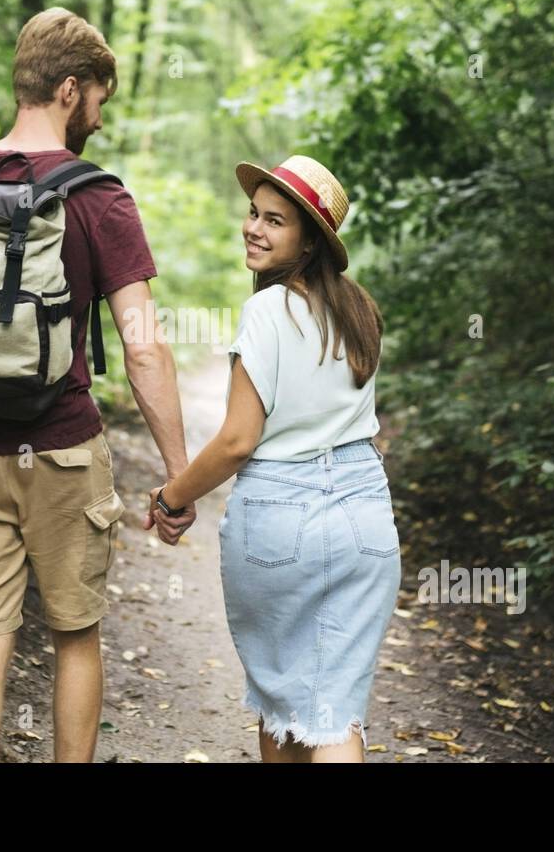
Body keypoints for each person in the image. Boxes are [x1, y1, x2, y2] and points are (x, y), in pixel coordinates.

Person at [0, 7, 193, 762]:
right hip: (61, 452)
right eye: (97, 101)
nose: (99, 119)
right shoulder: (96, 194)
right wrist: (180, 477)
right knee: (75, 636)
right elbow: (144, 349)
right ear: (68, 88)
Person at [143, 155, 400, 763]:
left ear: (309, 241)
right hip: (366, 520)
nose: (253, 228)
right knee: (334, 708)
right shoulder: (360, 311)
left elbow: (237, 440)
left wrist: (173, 497)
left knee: (282, 698)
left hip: (283, 523)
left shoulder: (267, 310)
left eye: (275, 221)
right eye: (253, 213)